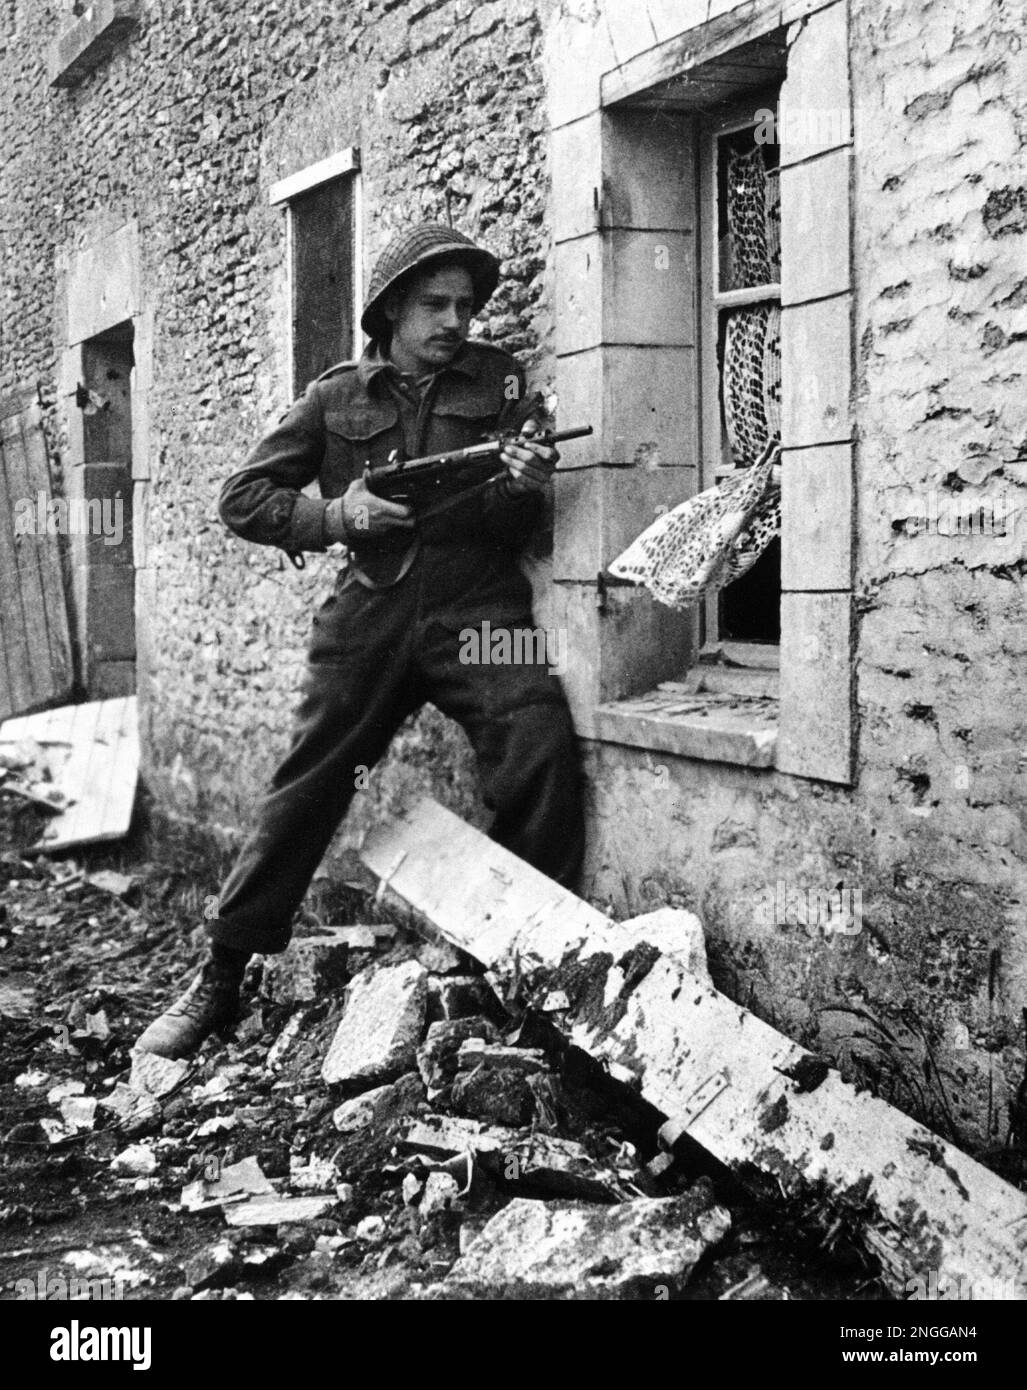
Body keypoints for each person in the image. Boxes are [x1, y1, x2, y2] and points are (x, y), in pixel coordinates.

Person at [137, 223, 584, 1059]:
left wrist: (523, 487)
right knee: (307, 783)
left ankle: (520, 971)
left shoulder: (501, 383)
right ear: (388, 311)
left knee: (542, 746)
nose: (454, 320)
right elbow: (244, 498)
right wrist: (337, 515)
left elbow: (510, 518)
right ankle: (220, 976)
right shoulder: (334, 396)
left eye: (464, 305)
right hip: (367, 612)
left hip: (479, 613)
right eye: (433, 304)